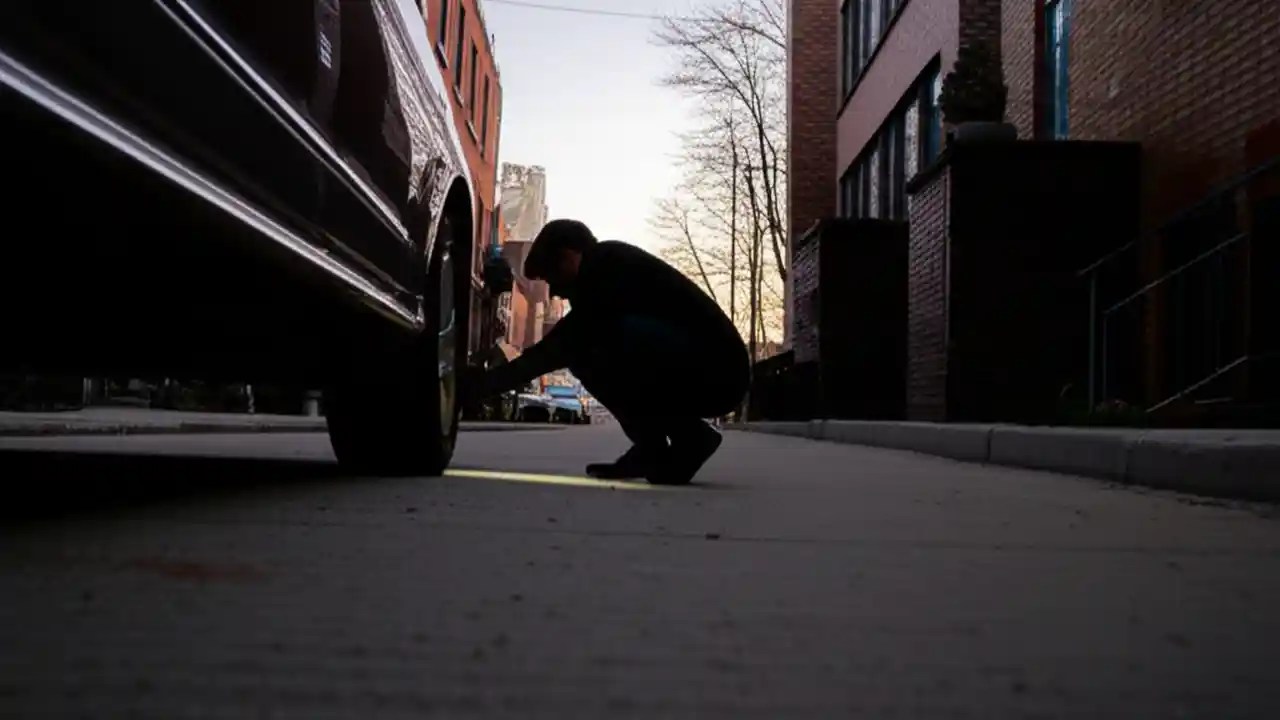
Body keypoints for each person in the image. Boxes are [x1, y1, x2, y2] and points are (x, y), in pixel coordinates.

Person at [468, 219, 749, 485]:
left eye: (552, 276)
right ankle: (657, 445)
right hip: (711, 369)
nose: (554, 292)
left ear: (568, 257)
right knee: (587, 347)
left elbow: (552, 351)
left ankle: (682, 438)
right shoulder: (605, 270)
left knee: (591, 345)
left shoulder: (607, 272)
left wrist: (473, 389)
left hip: (718, 373)